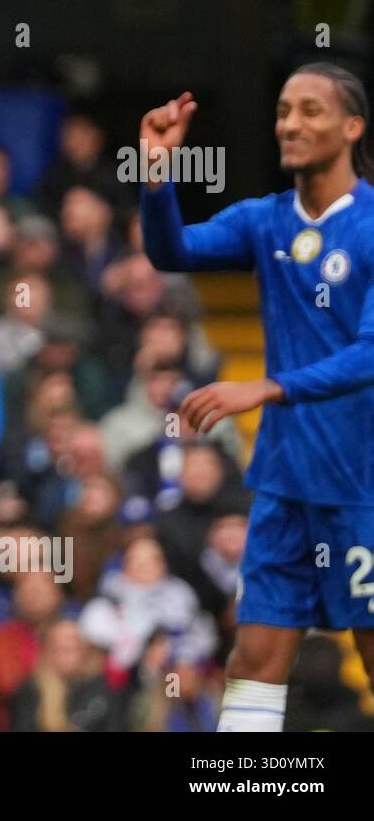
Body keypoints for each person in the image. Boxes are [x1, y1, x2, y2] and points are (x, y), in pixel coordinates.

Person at [138, 62, 374, 731]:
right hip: (283, 483)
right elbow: (172, 251)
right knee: (255, 655)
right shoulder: (264, 220)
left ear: (352, 128)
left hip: (361, 485)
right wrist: (155, 173)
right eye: (283, 111)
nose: (290, 124)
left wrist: (269, 386)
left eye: (310, 111)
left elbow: (371, 351)